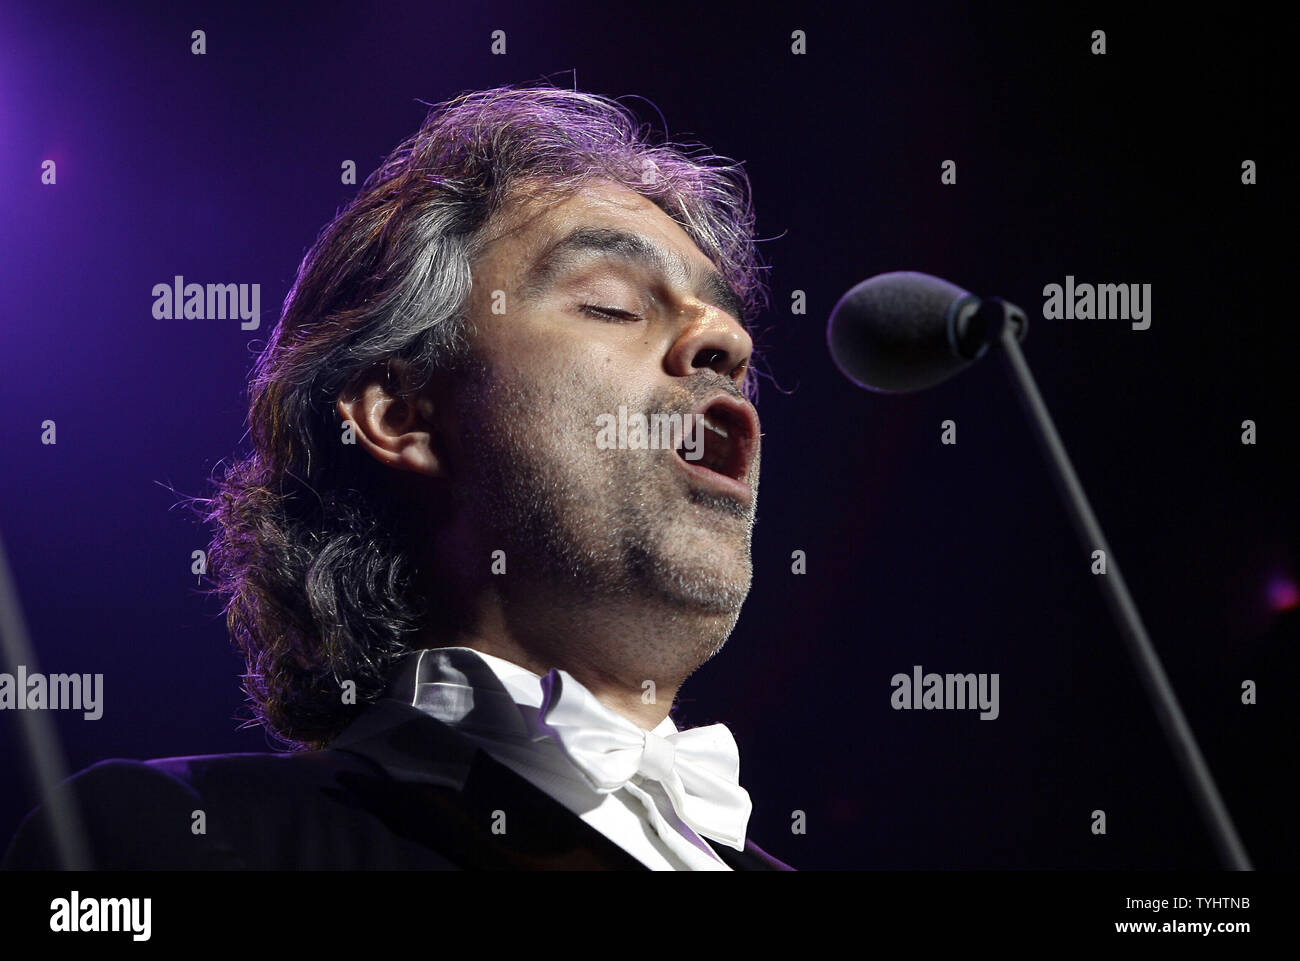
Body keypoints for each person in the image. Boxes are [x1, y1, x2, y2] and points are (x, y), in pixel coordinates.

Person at [3, 83, 790, 871]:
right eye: (613, 305)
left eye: (723, 315)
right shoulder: (168, 843)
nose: (724, 337)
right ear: (400, 413)